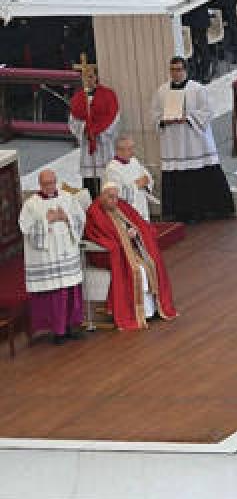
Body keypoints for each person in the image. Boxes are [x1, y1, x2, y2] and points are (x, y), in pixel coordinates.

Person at [152, 57, 235, 223]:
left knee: (197, 174)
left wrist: (188, 118)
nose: (175, 73)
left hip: (194, 141)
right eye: (172, 70)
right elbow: (154, 113)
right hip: (173, 141)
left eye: (178, 69)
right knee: (177, 176)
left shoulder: (197, 89)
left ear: (185, 70)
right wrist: (163, 120)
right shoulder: (162, 91)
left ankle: (203, 211)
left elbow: (208, 111)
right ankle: (178, 213)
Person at [85, 183, 177, 330]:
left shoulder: (120, 205)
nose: (114, 201)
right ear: (101, 196)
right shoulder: (95, 212)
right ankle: (137, 312)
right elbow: (99, 236)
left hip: (130, 247)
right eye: (110, 197)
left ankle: (150, 310)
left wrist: (136, 232)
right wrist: (124, 238)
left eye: (116, 197)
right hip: (109, 253)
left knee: (151, 263)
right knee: (138, 270)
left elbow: (138, 222)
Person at [19, 170, 86, 345]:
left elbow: (81, 218)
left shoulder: (67, 198)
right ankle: (57, 331)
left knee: (71, 291)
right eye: (46, 183)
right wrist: (45, 220)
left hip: (66, 253)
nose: (50, 186)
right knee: (55, 294)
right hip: (47, 258)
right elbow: (25, 228)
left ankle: (71, 326)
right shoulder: (31, 204)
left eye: (52, 182)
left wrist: (67, 217)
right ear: (39, 184)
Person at [68, 61, 121, 199]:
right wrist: (85, 129)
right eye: (85, 77)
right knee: (90, 185)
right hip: (88, 149)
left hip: (104, 146)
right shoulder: (78, 98)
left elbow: (114, 117)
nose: (88, 80)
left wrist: (98, 131)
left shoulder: (108, 95)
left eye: (91, 76)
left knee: (107, 181)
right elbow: (73, 121)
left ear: (96, 77)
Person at [104, 137, 156, 222]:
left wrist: (146, 181)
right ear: (119, 151)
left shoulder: (133, 161)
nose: (132, 152)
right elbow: (115, 195)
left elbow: (147, 176)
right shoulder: (112, 169)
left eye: (132, 148)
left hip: (141, 205)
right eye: (129, 149)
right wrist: (137, 185)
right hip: (125, 212)